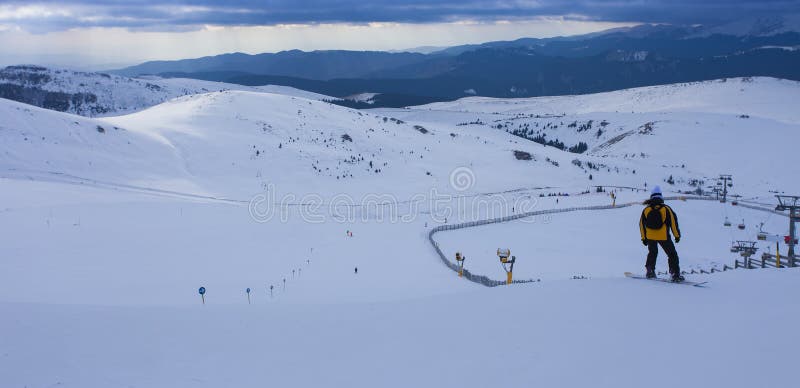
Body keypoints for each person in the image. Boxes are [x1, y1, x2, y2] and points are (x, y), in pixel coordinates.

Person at [639, 186, 684, 282]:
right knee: (672, 254)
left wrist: (644, 238)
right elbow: (673, 223)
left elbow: (641, 224)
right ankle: (674, 274)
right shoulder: (666, 209)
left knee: (652, 253)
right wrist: (677, 236)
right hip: (663, 236)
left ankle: (650, 271)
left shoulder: (646, 210)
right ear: (661, 196)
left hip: (650, 236)